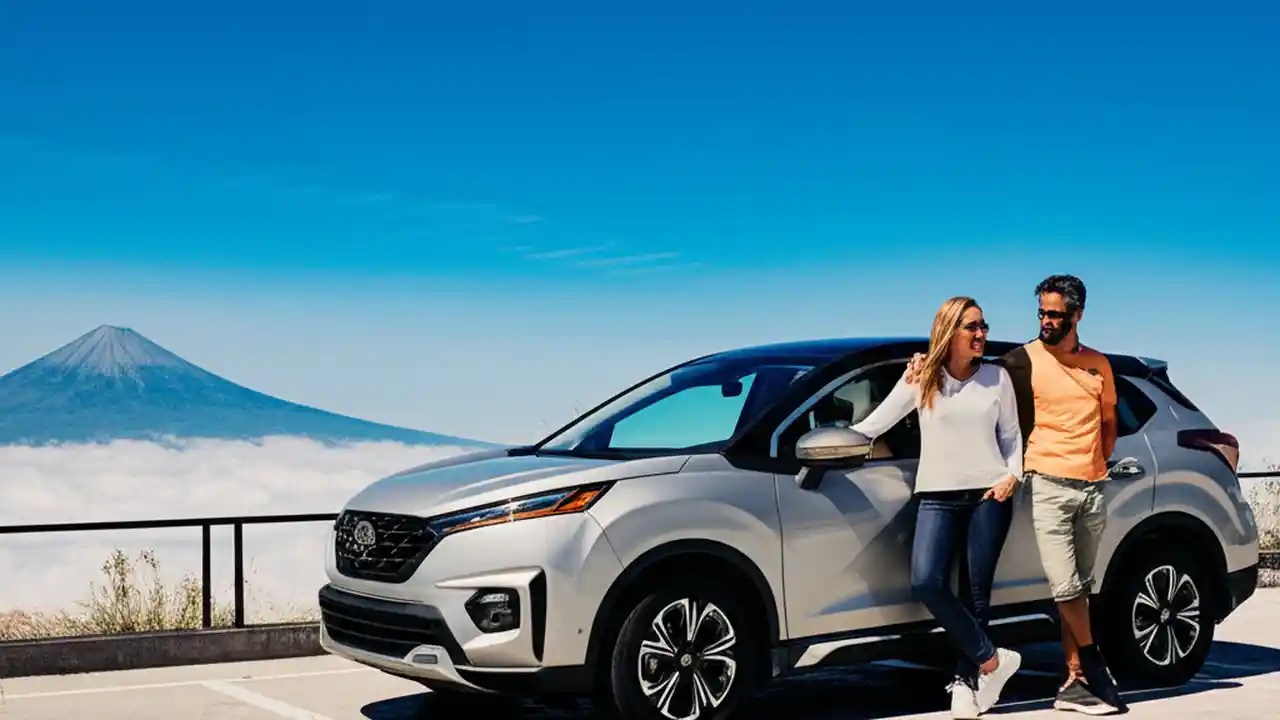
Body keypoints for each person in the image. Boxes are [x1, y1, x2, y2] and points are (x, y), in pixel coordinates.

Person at [906, 274, 1127, 715]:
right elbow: (968, 382)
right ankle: (1093, 666)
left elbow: (1108, 423)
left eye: (1055, 314)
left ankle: (1074, 681)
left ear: (1078, 315)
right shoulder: (1018, 363)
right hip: (1046, 484)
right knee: (1065, 587)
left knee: (1080, 589)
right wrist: (924, 361)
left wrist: (1094, 463)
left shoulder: (1098, 364)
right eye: (1042, 313)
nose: (1046, 321)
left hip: (1091, 488)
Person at [849, 296, 1023, 718]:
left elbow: (1011, 436)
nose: (981, 334)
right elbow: (873, 426)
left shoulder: (997, 378)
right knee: (926, 581)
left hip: (989, 495)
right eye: (972, 327)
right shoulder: (922, 376)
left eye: (983, 326)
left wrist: (1012, 476)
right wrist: (831, 442)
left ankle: (965, 684)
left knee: (975, 594)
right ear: (949, 330)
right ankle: (993, 661)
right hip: (937, 495)